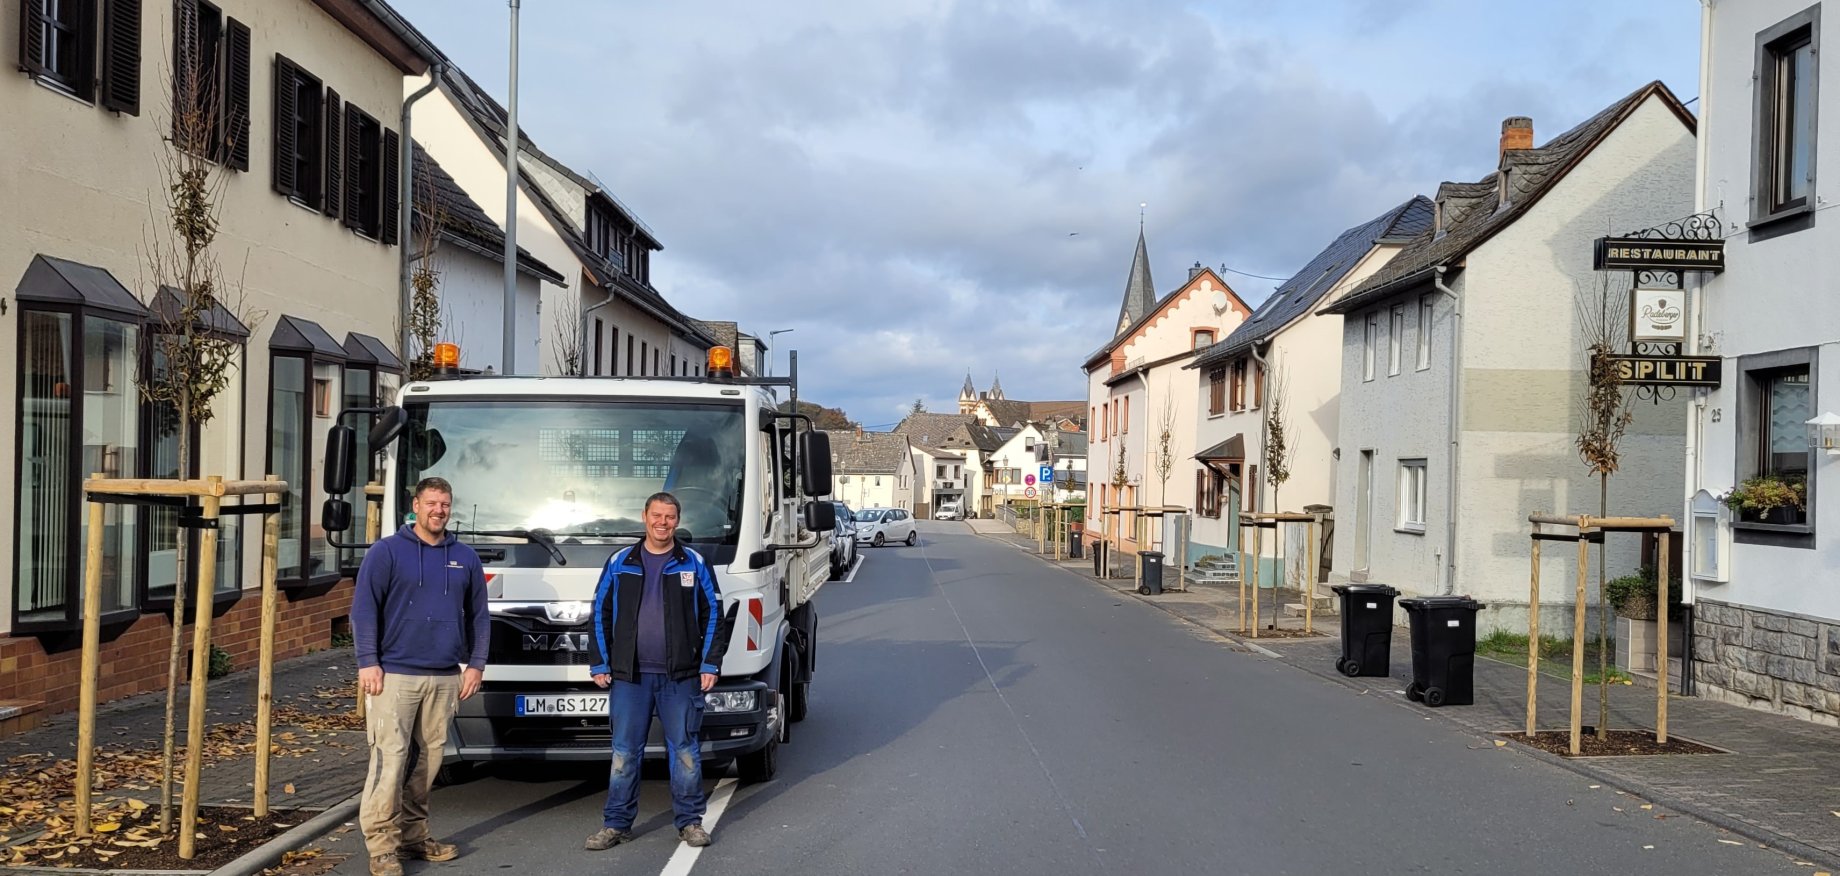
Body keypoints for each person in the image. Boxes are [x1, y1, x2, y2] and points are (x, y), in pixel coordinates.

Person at [351, 477, 488, 876]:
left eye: (445, 504)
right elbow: (363, 610)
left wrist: (476, 663)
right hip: (393, 675)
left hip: (445, 677)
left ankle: (413, 837)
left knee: (427, 764)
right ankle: (381, 847)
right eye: (431, 503)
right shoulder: (387, 552)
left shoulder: (465, 557)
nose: (438, 511)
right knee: (389, 762)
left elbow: (479, 615)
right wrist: (367, 662)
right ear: (416, 505)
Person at [585, 492, 731, 851]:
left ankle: (690, 822)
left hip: (680, 677)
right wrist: (601, 662)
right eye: (656, 515)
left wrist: (710, 663)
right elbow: (600, 613)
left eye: (669, 516)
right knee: (624, 753)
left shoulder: (693, 562)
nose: (662, 522)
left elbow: (713, 613)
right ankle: (616, 824)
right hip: (629, 678)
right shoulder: (620, 561)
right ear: (644, 517)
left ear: (677, 521)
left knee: (683, 751)